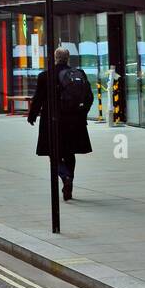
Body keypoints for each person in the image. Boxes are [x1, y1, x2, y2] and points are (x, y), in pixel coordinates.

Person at [27, 47, 94, 201]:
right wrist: (82, 114)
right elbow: (89, 97)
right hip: (74, 121)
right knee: (70, 153)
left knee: (54, 153)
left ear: (55, 58)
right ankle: (70, 179)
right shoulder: (79, 74)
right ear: (68, 58)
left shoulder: (45, 76)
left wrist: (32, 116)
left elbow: (38, 98)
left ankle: (65, 177)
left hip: (53, 121)